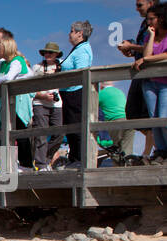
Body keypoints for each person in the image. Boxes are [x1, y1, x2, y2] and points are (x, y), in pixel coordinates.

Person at [0, 31, 33, 169]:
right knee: (8, 132)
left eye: (0, 47)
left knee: (20, 131)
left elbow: (9, 77)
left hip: (20, 101)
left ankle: (27, 164)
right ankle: (10, 163)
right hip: (8, 101)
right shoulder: (2, 63)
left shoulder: (17, 61)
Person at [119, 0, 158, 159]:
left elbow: (155, 47)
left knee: (149, 114)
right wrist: (132, 51)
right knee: (136, 113)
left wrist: (132, 47)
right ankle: (153, 151)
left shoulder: (156, 22)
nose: (137, 9)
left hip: (151, 72)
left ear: (151, 4)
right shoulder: (145, 23)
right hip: (141, 71)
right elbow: (145, 47)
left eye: (139, 5)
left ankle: (150, 152)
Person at [132, 1, 167, 163]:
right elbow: (147, 51)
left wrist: (146, 59)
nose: (149, 22)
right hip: (150, 82)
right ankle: (161, 151)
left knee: (163, 117)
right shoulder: (149, 34)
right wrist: (152, 36)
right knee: (154, 119)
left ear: (161, 18)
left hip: (165, 82)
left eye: (151, 19)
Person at [59, 20, 94, 166]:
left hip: (75, 93)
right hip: (69, 93)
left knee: (76, 127)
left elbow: (82, 71)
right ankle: (75, 158)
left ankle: (79, 159)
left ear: (80, 34)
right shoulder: (78, 49)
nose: (69, 33)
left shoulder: (83, 49)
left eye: (72, 31)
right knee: (71, 127)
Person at [30, 42, 64, 170]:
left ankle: (45, 158)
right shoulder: (36, 67)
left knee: (59, 132)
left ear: (56, 54)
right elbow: (30, 88)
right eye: (46, 52)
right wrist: (42, 96)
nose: (47, 55)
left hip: (57, 104)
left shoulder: (62, 67)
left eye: (51, 52)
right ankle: (40, 164)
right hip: (40, 103)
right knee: (41, 134)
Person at [95, 82, 135, 163]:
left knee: (115, 151)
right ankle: (127, 167)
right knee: (127, 153)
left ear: (101, 86)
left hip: (114, 122)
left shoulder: (100, 94)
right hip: (129, 122)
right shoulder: (119, 91)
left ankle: (118, 166)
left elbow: (92, 108)